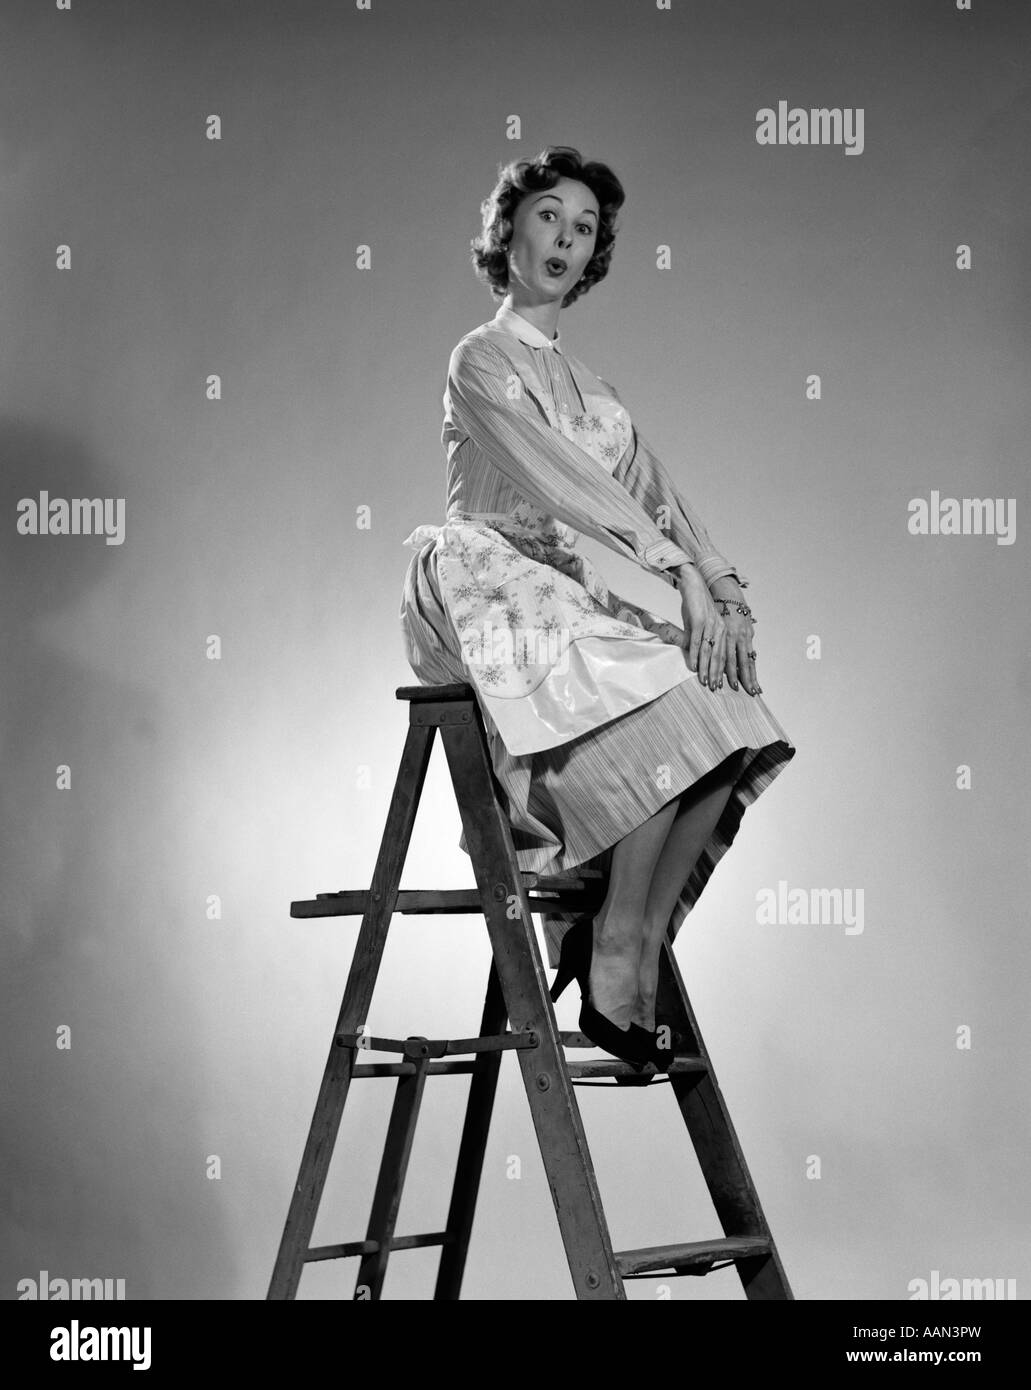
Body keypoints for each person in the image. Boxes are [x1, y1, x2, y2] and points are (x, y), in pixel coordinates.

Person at [399, 145, 795, 1072]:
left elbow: (656, 493)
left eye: (584, 228)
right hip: (481, 579)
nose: (565, 238)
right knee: (659, 679)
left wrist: (722, 585)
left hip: (562, 590)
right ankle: (612, 939)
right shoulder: (480, 358)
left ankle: (637, 938)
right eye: (548, 216)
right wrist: (672, 571)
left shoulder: (599, 393)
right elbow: (566, 483)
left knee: (733, 708)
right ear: (508, 231)